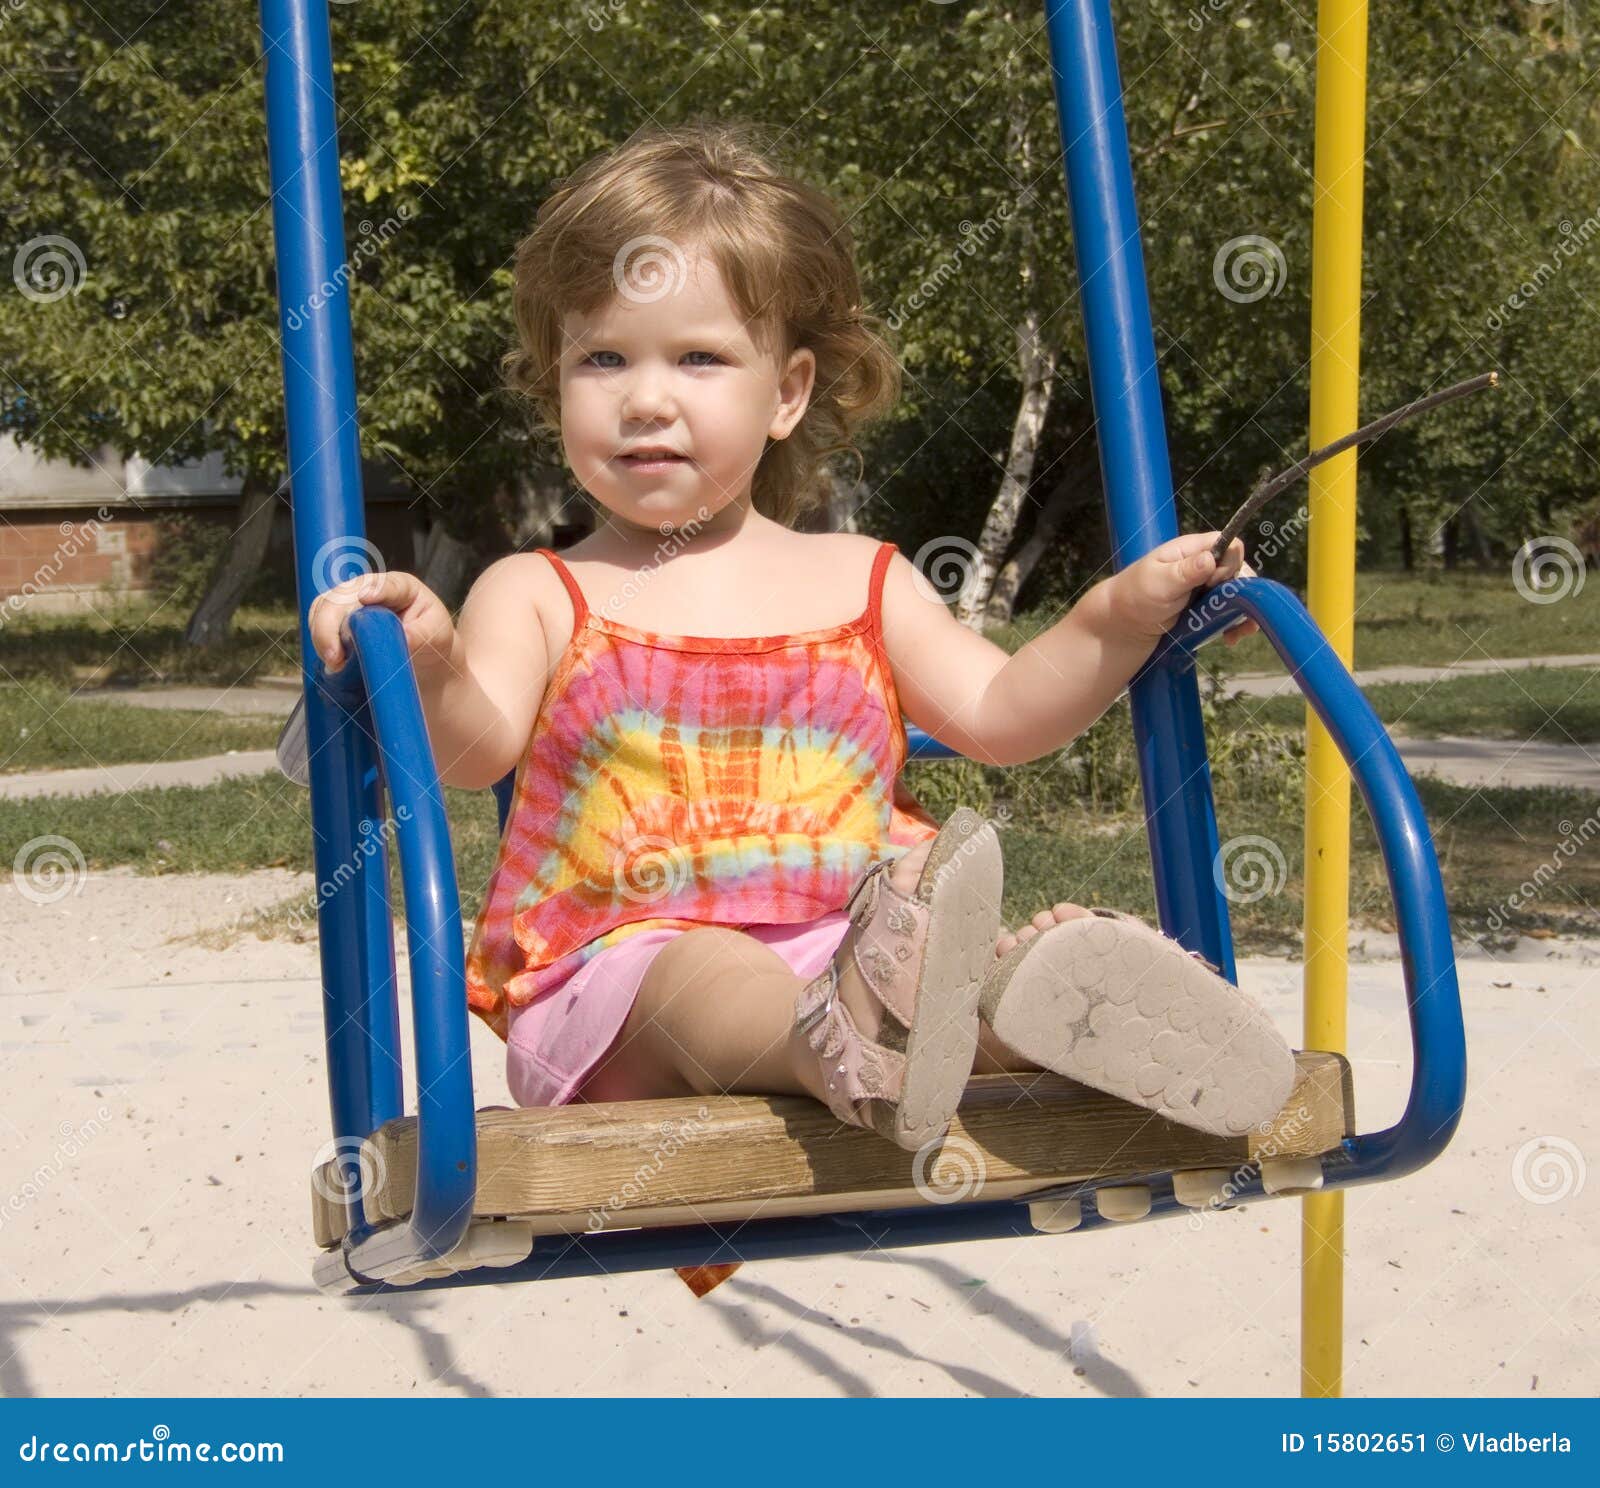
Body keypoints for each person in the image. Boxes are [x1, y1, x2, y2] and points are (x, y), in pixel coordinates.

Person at [308, 120, 1293, 1158]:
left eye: (697, 358)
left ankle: (1026, 1020)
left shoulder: (859, 577)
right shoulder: (541, 591)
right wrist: (428, 662)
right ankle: (852, 1034)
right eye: (602, 357)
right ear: (556, 379)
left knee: (929, 943)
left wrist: (1116, 615)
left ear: (786, 393)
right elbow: (473, 752)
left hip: (852, 947)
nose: (645, 398)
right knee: (711, 976)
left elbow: (1002, 716)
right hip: (619, 984)